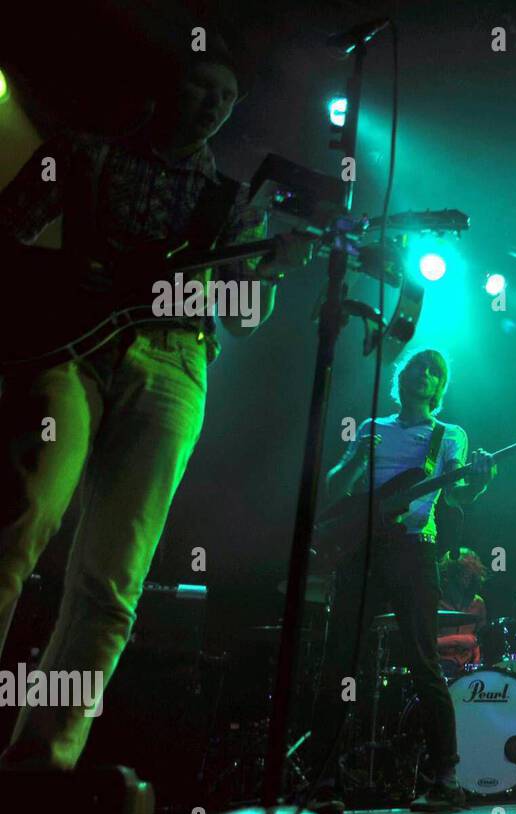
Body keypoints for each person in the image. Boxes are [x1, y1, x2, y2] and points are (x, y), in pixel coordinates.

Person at [0, 40, 313, 772]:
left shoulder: (231, 200)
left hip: (174, 362)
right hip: (71, 353)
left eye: (229, 100)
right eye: (205, 87)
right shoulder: (84, 152)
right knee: (19, 519)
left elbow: (240, 316)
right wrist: (65, 282)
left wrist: (268, 269)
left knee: (113, 580)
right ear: (168, 86)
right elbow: (8, 229)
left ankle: (41, 767)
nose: (215, 106)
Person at [320, 349, 495, 811]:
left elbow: (458, 495)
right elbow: (336, 488)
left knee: (424, 663)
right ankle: (323, 783)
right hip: (361, 553)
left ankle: (445, 779)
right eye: (419, 367)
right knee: (339, 663)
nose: (426, 375)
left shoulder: (447, 435)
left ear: (440, 387)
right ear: (402, 377)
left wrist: (478, 480)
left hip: (415, 552)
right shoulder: (371, 428)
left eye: (436, 371)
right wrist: (358, 460)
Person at [435, 547, 489, 676]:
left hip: (467, 666)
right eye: (462, 571)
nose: (466, 577)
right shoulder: (434, 601)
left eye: (469, 572)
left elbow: (479, 638)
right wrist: (457, 640)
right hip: (439, 665)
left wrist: (476, 656)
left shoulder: (478, 603)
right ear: (450, 573)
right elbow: (422, 643)